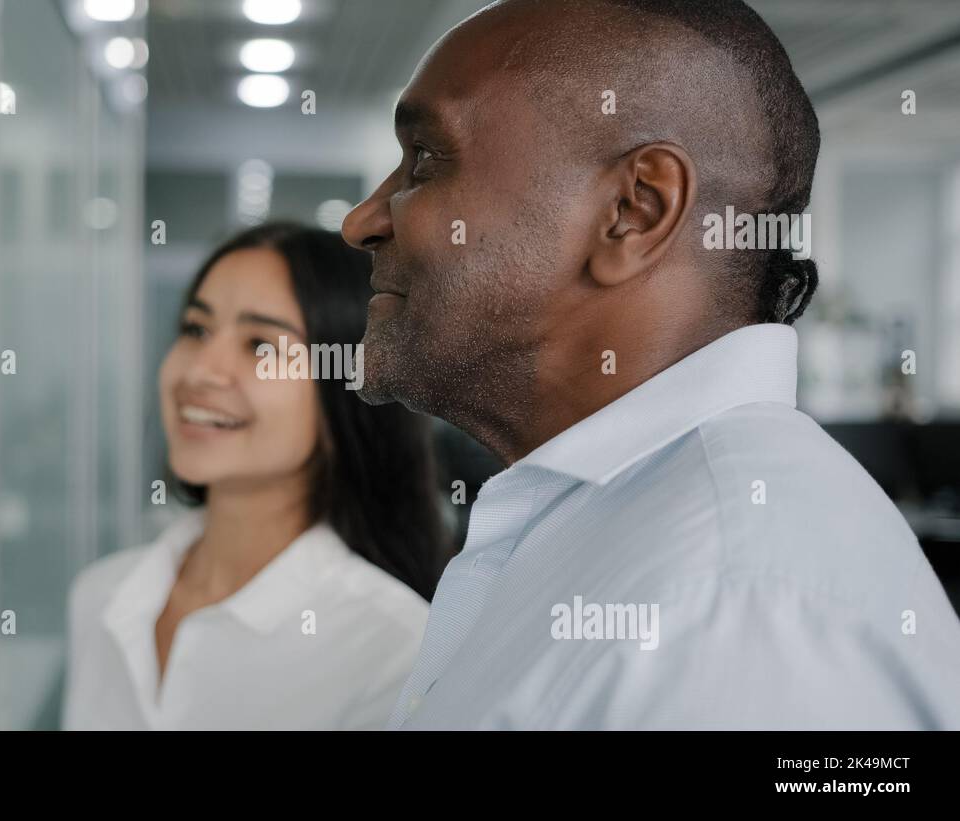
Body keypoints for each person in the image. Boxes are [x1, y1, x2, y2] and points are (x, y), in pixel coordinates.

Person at [341, 0, 960, 729]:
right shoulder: (625, 539)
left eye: (425, 159)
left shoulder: (738, 608)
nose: (362, 221)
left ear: (634, 212)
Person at [63, 223, 448, 730]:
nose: (200, 371)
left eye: (260, 346)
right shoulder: (102, 596)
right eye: (196, 329)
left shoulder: (392, 650)